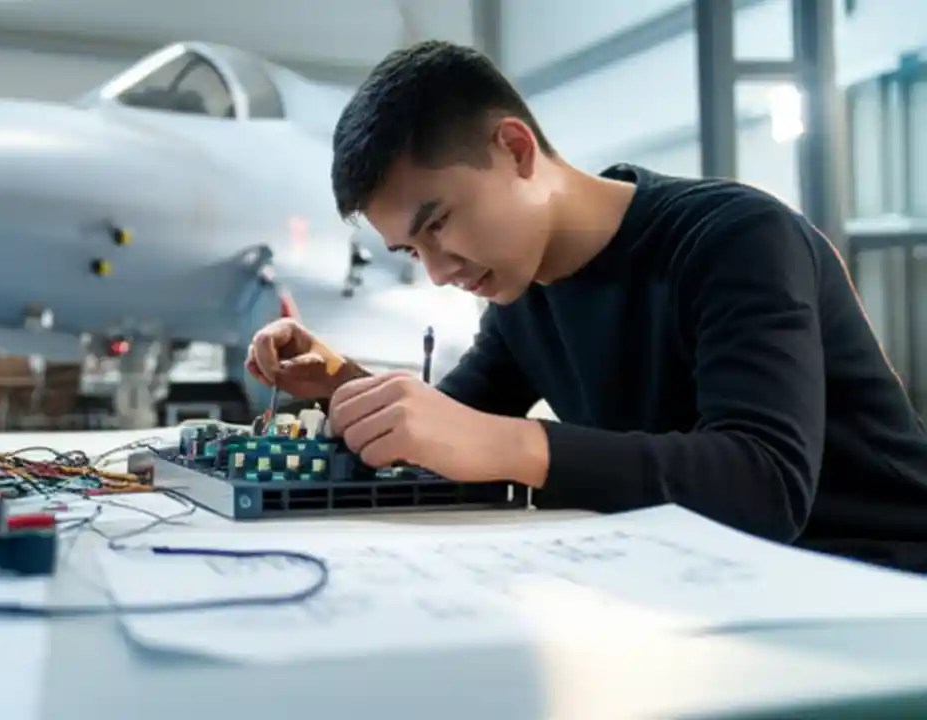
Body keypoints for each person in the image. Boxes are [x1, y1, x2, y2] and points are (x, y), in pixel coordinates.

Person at [245, 40, 927, 573]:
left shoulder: (736, 239)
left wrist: (507, 444)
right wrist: (340, 383)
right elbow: (450, 433)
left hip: (879, 587)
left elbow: (767, 487)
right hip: (719, 585)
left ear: (515, 149)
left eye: (440, 223)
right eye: (413, 251)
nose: (440, 270)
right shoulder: (522, 296)